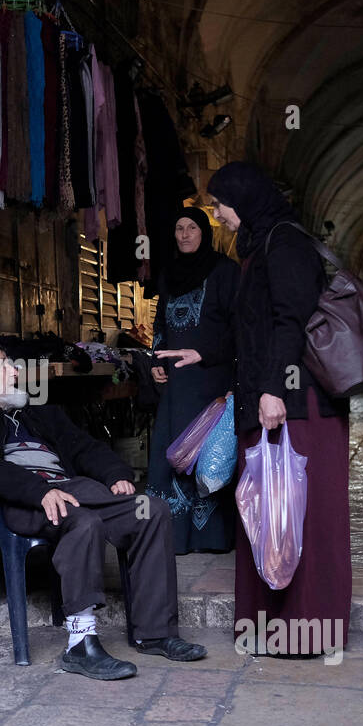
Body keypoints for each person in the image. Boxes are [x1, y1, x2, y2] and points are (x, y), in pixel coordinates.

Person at [0, 341, 207, 680]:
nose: (15, 370)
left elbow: (81, 445)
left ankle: (155, 633)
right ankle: (80, 644)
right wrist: (40, 491)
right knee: (84, 520)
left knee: (150, 510)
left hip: (71, 492)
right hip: (24, 503)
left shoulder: (36, 410)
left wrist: (115, 475)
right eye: (3, 366)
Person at [206, 161, 351, 656]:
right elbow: (251, 328)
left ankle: (307, 629)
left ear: (243, 200)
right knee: (266, 513)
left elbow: (292, 320)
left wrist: (272, 390)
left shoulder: (284, 243)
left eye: (221, 205)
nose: (219, 215)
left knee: (301, 516)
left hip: (299, 404)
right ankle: (270, 627)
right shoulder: (257, 245)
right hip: (271, 399)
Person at [146, 205, 238, 554]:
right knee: (174, 453)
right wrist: (158, 357)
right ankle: (175, 538)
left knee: (210, 455)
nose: (184, 234)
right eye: (179, 228)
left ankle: (212, 538)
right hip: (178, 387)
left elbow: (240, 327)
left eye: (192, 228)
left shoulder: (226, 273)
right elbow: (160, 324)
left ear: (205, 233)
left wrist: (208, 354)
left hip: (213, 383)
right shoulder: (168, 275)